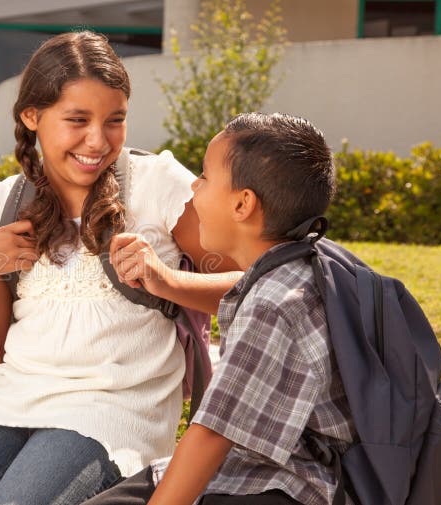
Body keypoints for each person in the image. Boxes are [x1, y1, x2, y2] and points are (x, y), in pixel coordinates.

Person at [0, 31, 238, 505]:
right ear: (32, 116)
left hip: (111, 412)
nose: (98, 140)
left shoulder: (156, 184)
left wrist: (166, 278)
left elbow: (257, 286)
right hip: (6, 404)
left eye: (114, 121)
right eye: (77, 120)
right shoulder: (3, 205)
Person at [81, 112, 356, 505]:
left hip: (291, 483)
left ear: (243, 204)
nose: (193, 186)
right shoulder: (299, 264)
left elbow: (211, 436)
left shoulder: (273, 302)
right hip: (259, 465)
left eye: (205, 177)